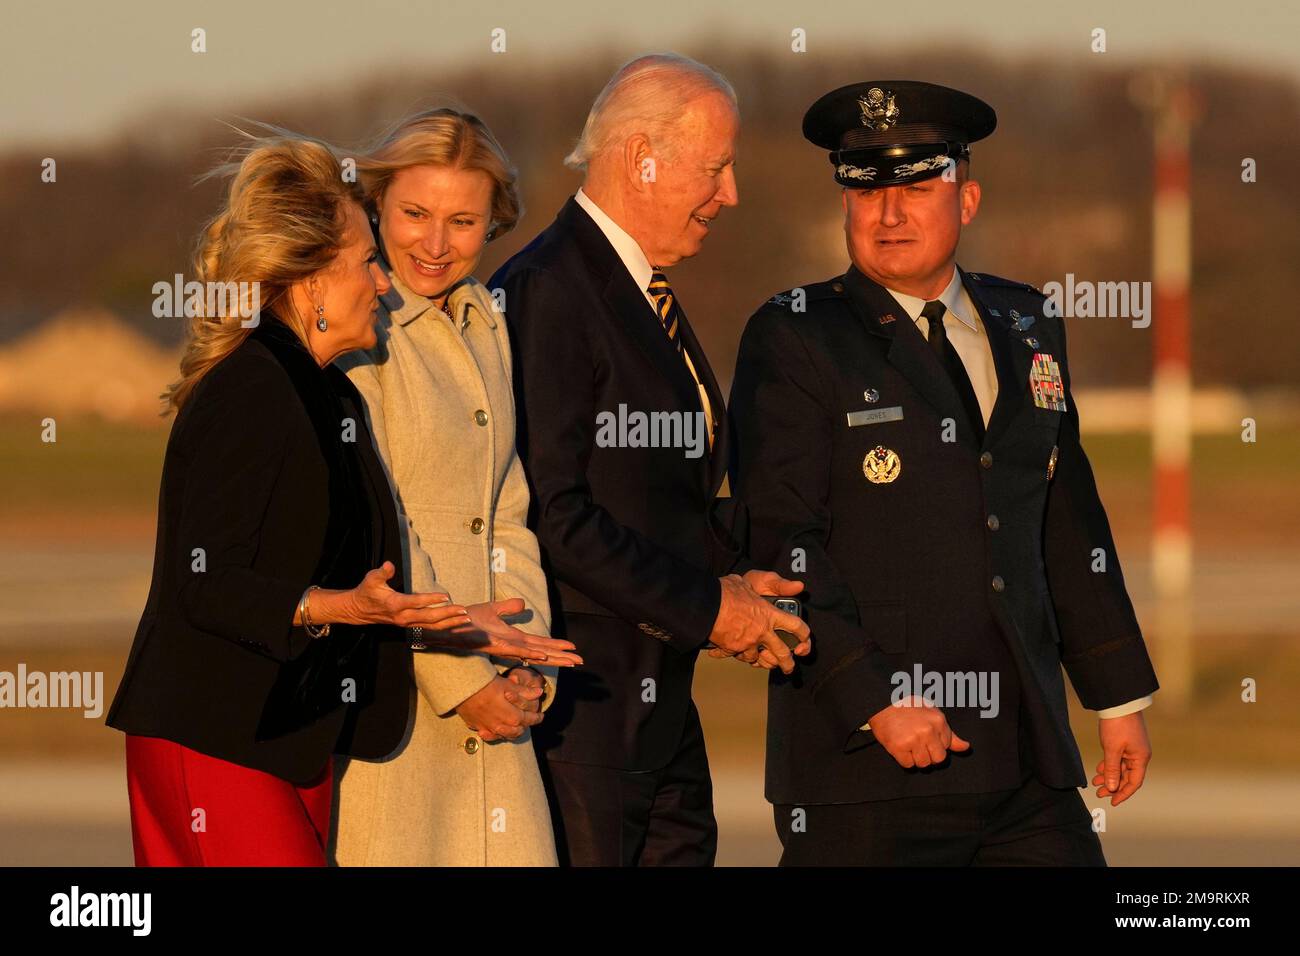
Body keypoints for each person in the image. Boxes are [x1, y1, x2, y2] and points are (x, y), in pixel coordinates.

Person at [106, 136, 574, 866]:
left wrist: (449, 623)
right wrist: (336, 606)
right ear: (312, 280)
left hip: (288, 733)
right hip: (215, 732)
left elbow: (364, 573)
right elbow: (205, 583)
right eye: (365, 264)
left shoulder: (325, 390)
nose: (383, 284)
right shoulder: (252, 386)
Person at [729, 80, 1159, 866]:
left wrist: (1117, 695)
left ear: (966, 201)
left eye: (918, 188)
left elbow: (1064, 518)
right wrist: (874, 699)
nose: (890, 215)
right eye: (867, 193)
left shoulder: (1026, 322)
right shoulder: (796, 336)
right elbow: (783, 542)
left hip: (1025, 762)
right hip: (867, 767)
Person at [490, 53, 810, 867]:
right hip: (584, 720)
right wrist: (710, 607)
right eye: (716, 167)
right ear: (642, 158)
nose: (730, 193)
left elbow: (655, 501)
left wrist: (740, 584)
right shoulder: (550, 292)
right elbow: (552, 515)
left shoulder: (635, 290)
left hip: (656, 713)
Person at [331, 108, 582, 866]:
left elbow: (507, 514)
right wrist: (461, 675)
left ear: (494, 223)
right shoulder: (355, 328)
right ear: (376, 206)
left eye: (464, 220)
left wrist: (525, 660)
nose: (435, 244)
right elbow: (377, 524)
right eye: (414, 214)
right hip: (401, 702)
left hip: (499, 707)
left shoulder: (485, 322)